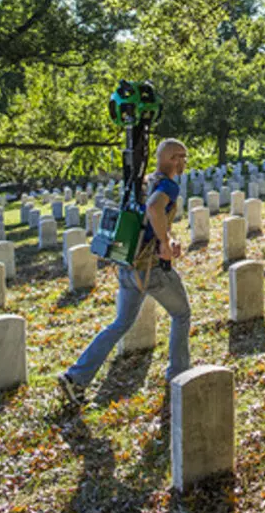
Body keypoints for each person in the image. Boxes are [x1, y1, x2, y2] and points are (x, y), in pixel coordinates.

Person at [58, 138, 191, 406]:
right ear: (173, 159)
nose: (185, 162)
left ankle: (76, 377)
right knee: (182, 313)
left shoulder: (146, 180)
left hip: (128, 266)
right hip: (152, 270)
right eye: (183, 157)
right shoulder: (168, 185)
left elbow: (149, 219)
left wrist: (168, 238)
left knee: (121, 323)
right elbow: (154, 208)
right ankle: (178, 374)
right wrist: (165, 245)